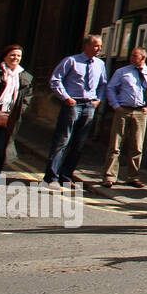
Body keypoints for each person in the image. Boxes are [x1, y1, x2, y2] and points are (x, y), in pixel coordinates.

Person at [44, 35, 108, 187]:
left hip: (89, 106)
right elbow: (55, 80)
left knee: (79, 143)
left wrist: (98, 100)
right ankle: (51, 177)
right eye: (96, 45)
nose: (99, 48)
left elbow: (103, 84)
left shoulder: (100, 64)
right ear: (86, 45)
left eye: (100, 46)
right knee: (63, 140)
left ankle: (66, 176)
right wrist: (66, 98)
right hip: (73, 104)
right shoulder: (71, 61)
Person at [102, 46, 147, 188]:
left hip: (141, 112)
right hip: (123, 110)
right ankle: (109, 176)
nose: (131, 58)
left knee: (137, 146)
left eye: (134, 56)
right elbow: (110, 88)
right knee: (115, 144)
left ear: (143, 58)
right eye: (131, 55)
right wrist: (115, 105)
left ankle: (132, 176)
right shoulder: (122, 72)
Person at [0, 45, 34, 187]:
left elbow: (27, 96)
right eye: (12, 55)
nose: (15, 58)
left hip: (10, 117)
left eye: (18, 56)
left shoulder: (24, 76)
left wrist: (19, 111)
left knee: (1, 147)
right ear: (4, 56)